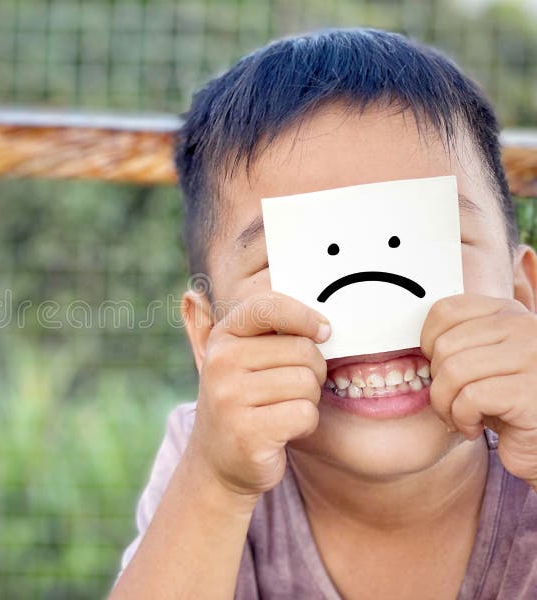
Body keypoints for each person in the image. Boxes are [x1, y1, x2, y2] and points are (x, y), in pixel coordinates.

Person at [108, 28, 537, 599]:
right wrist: (216, 484)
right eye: (296, 256)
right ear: (210, 339)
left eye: (424, 238)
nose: (370, 295)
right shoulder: (209, 462)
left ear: (523, 292)